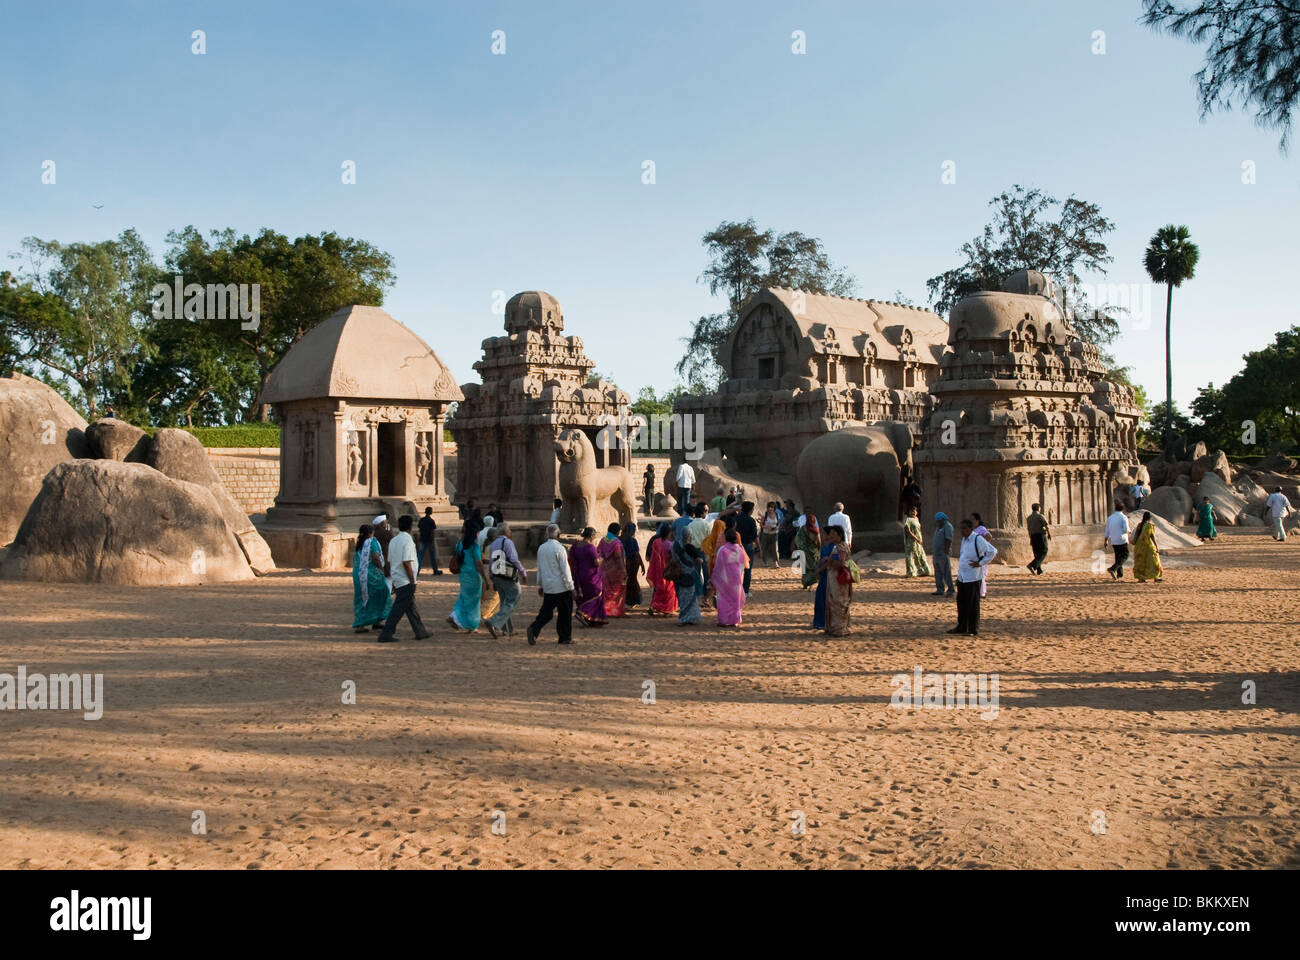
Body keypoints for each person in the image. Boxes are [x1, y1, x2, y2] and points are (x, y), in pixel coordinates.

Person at [377, 515, 431, 643]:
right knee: (398, 608)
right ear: (410, 527)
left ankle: (420, 631)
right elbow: (407, 562)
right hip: (406, 579)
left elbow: (389, 562)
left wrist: (392, 578)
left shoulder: (394, 540)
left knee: (410, 606)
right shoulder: (407, 541)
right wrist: (412, 580)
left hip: (397, 578)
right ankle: (386, 633)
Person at [527, 524, 575, 645]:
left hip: (548, 586)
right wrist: (571, 586)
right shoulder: (560, 549)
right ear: (558, 535)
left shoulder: (541, 548)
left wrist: (540, 584)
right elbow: (565, 569)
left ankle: (534, 628)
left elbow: (540, 567)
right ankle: (564, 637)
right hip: (561, 586)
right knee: (565, 613)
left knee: (546, 612)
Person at [950, 518, 996, 636]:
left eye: (965, 528)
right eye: (961, 529)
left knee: (973, 604)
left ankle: (972, 629)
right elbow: (963, 558)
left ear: (970, 529)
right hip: (963, 577)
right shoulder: (964, 540)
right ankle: (962, 626)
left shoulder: (977, 539)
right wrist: (959, 576)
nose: (962, 531)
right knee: (961, 603)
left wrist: (980, 563)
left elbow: (992, 551)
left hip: (973, 577)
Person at [484, 522, 527, 638]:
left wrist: (491, 575)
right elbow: (514, 559)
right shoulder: (508, 542)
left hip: (496, 575)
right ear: (506, 532)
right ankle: (494, 621)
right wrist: (522, 572)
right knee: (514, 596)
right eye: (509, 530)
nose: (510, 532)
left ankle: (507, 629)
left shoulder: (493, 544)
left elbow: (492, 561)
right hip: (507, 575)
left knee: (504, 601)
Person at [448, 517, 490, 631]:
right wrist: (486, 580)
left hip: (463, 574)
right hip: (473, 576)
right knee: (474, 601)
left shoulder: (460, 544)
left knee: (465, 597)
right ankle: (470, 623)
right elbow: (479, 564)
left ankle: (455, 615)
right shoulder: (474, 546)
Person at [351, 524, 392, 632]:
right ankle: (374, 620)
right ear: (370, 533)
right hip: (371, 574)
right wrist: (382, 569)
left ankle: (369, 622)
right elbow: (375, 557)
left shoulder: (359, 544)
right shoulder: (371, 542)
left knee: (362, 597)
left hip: (359, 573)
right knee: (382, 593)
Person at [818, 525, 853, 636]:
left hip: (839, 579)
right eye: (831, 533)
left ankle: (839, 629)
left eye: (834, 534)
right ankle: (834, 628)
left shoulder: (841, 547)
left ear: (840, 535)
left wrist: (831, 563)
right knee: (833, 601)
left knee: (838, 603)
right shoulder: (838, 546)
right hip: (835, 578)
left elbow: (841, 563)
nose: (831, 536)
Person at [569, 526, 608, 626]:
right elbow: (597, 563)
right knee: (596, 595)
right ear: (591, 536)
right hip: (591, 576)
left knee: (584, 596)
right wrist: (602, 558)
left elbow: (571, 558)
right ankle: (582, 611)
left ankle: (590, 618)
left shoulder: (575, 545)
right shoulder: (590, 547)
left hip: (579, 575)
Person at [712, 529, 749, 627]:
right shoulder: (739, 549)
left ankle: (723, 620)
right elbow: (742, 565)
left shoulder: (722, 549)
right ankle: (735, 620)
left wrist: (716, 577)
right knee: (735, 599)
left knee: (723, 599)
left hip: (724, 578)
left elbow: (718, 565)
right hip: (736, 578)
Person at [670, 535, 705, 625]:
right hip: (689, 576)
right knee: (690, 599)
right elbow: (698, 560)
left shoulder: (674, 546)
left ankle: (684, 618)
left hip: (678, 576)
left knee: (682, 598)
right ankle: (690, 618)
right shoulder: (690, 547)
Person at [646, 522, 678, 616]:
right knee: (669, 590)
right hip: (668, 570)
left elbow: (653, 557)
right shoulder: (669, 544)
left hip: (657, 570)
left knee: (658, 590)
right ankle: (666, 609)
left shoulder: (656, 542)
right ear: (668, 533)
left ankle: (654, 606)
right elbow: (672, 557)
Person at [597, 522, 627, 618]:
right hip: (616, 571)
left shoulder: (602, 540)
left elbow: (598, 553)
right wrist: (623, 570)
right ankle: (616, 611)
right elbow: (618, 557)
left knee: (606, 590)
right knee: (618, 591)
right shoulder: (617, 543)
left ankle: (606, 609)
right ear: (618, 532)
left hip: (605, 570)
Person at [735, 501, 759, 597]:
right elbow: (754, 536)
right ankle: (745, 590)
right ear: (750, 510)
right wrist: (759, 548)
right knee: (747, 568)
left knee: (737, 568)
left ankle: (737, 588)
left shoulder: (736, 519)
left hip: (736, 545)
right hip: (748, 546)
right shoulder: (751, 521)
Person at [1131, 511, 1163, 583]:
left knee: (1141, 561)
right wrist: (1156, 546)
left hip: (1139, 546)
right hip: (1148, 545)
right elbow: (1152, 537)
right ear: (1149, 518)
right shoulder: (1150, 526)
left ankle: (1141, 578)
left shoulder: (1139, 525)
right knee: (1154, 561)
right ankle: (1156, 577)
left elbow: (1136, 535)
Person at [794, 511, 821, 590]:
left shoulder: (802, 529)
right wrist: (818, 550)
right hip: (812, 552)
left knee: (804, 569)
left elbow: (797, 539)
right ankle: (811, 584)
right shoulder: (815, 530)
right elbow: (819, 542)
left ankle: (805, 584)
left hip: (803, 552)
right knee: (812, 569)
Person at [1104, 502, 1131, 578]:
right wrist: (1129, 531)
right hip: (1122, 539)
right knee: (1125, 555)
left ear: (1115, 508)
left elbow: (1107, 530)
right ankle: (1113, 568)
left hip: (1114, 540)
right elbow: (1125, 529)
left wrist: (1105, 540)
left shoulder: (1110, 518)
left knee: (1118, 556)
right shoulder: (1123, 517)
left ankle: (1120, 574)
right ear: (1123, 509)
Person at [931, 512, 954, 597]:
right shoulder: (938, 527)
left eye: (939, 521)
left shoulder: (947, 526)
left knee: (946, 572)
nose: (937, 522)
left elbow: (948, 539)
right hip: (936, 554)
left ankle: (950, 589)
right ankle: (940, 589)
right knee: (938, 572)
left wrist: (946, 550)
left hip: (943, 553)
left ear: (943, 520)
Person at [903, 506, 930, 578]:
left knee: (920, 555)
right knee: (911, 556)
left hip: (918, 541)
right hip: (911, 542)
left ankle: (923, 571)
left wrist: (920, 538)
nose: (913, 512)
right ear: (909, 512)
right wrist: (916, 538)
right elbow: (908, 531)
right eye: (911, 511)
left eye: (914, 511)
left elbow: (919, 530)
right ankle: (911, 573)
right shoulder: (907, 520)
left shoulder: (916, 519)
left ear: (916, 512)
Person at [621, 522, 644, 608]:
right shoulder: (632, 540)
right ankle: (632, 600)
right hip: (632, 563)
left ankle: (627, 600)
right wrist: (641, 564)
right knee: (632, 581)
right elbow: (636, 553)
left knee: (627, 582)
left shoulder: (620, 539)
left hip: (626, 563)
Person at [970, 512, 993, 598]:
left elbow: (989, 536)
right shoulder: (974, 530)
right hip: (974, 554)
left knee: (981, 574)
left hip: (980, 554)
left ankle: (982, 593)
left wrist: (983, 545)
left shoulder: (981, 528)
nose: (972, 521)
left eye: (973, 519)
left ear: (977, 520)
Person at [1025, 503, 1050, 575]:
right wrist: (1049, 534)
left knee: (1037, 553)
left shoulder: (1029, 518)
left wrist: (1030, 539)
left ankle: (1039, 571)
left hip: (1033, 536)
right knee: (1044, 551)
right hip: (1040, 536)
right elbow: (1046, 525)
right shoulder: (1040, 516)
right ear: (1038, 508)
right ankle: (1032, 565)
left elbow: (1029, 529)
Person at [417, 507, 443, 575]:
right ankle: (435, 570)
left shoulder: (422, 520)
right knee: (432, 556)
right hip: (429, 540)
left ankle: (417, 570)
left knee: (420, 556)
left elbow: (419, 527)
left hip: (423, 539)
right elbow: (432, 531)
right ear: (430, 512)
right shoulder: (431, 521)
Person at [760, 502, 781, 567]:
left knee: (775, 548)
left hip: (774, 533)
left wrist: (776, 528)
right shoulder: (765, 514)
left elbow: (779, 523)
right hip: (765, 533)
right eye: (769, 507)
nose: (770, 509)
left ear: (774, 508)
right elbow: (761, 524)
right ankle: (765, 562)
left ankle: (775, 562)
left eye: (771, 507)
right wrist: (766, 527)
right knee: (764, 547)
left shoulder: (777, 514)